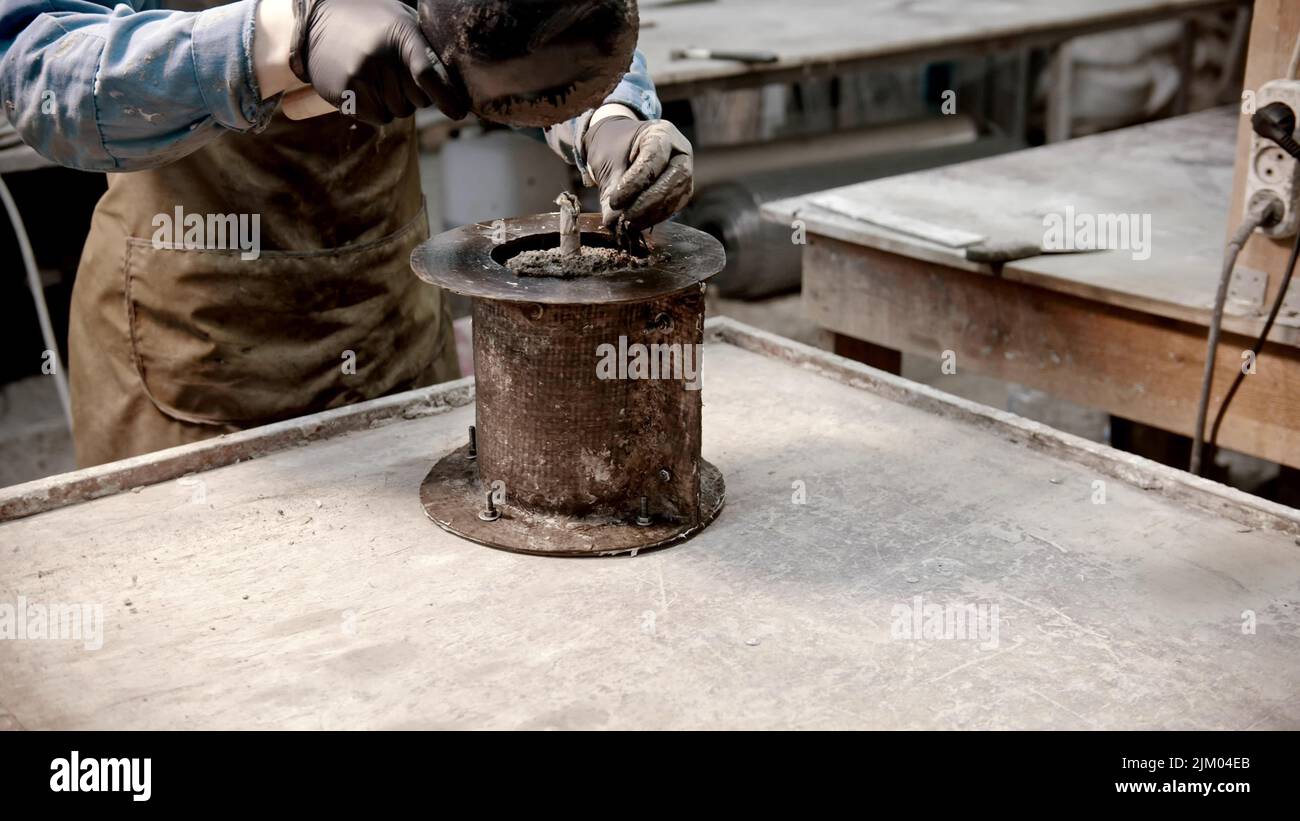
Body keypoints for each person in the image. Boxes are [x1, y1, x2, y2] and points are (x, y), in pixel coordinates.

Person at [0, 0, 693, 466]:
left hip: (390, 314)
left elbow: (526, 24)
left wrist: (609, 121)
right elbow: (39, 70)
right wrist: (283, 37)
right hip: (195, 345)